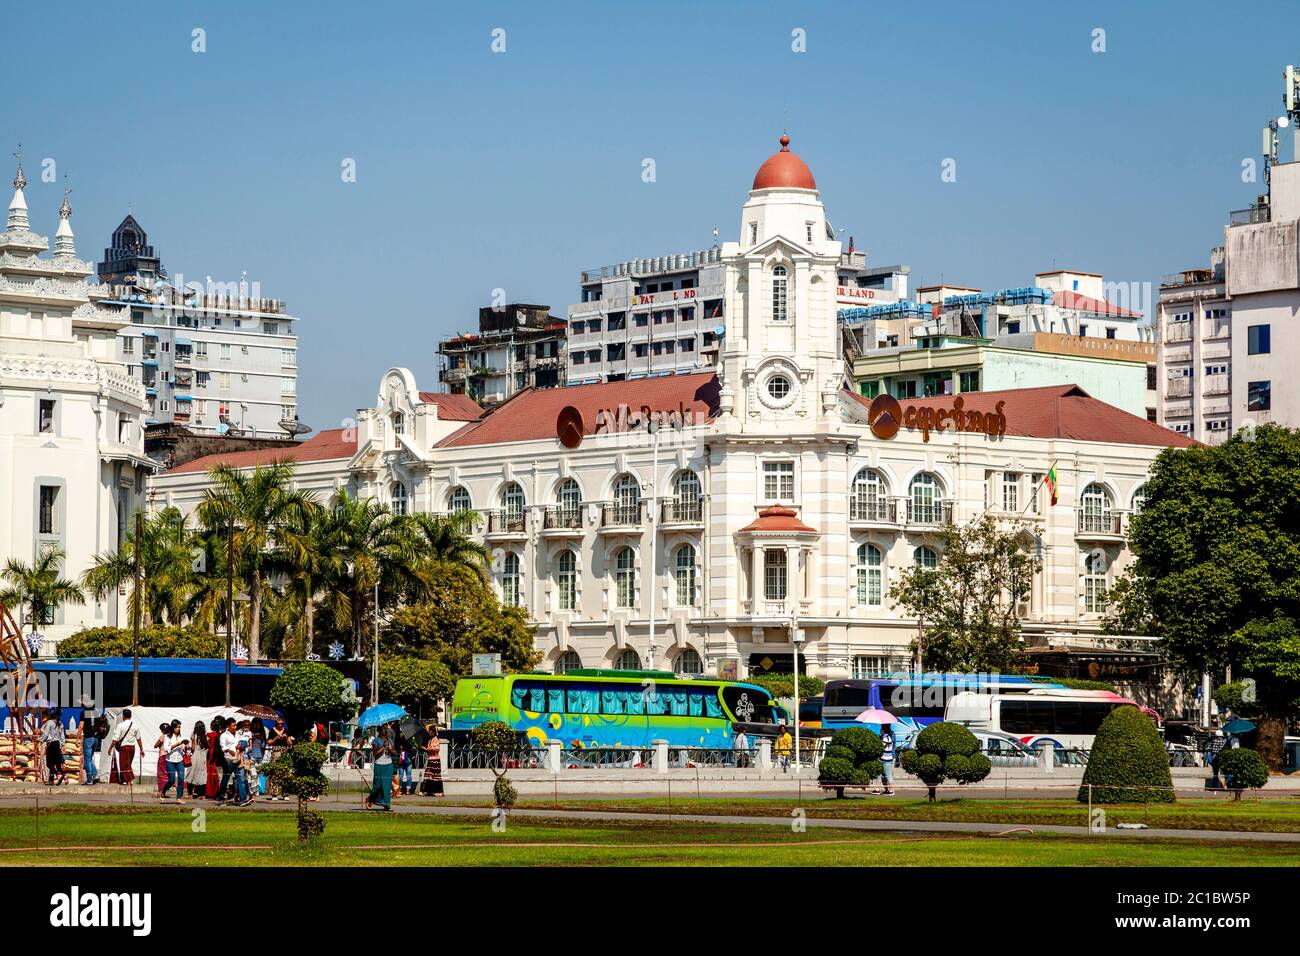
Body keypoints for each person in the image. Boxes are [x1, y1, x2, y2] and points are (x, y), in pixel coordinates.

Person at [219, 718, 249, 804]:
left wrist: (241, 745)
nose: (235, 727)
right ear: (228, 726)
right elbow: (222, 747)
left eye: (236, 725)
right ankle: (221, 797)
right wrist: (229, 750)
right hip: (228, 759)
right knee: (226, 778)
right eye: (233, 725)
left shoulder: (239, 734)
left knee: (241, 779)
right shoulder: (224, 735)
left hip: (238, 759)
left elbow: (245, 742)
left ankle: (243, 799)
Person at [365, 724, 395, 811]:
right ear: (379, 730)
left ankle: (386, 804)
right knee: (378, 785)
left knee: (387, 785)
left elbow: (394, 753)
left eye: (387, 729)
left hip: (388, 765)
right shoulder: (375, 741)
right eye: (384, 729)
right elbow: (375, 754)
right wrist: (383, 747)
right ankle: (370, 799)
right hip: (379, 764)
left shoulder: (390, 740)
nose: (386, 730)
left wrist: (390, 749)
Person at [108, 708, 141, 785]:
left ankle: (128, 780)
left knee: (123, 764)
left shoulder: (120, 726)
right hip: (132, 747)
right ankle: (129, 779)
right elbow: (139, 738)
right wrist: (141, 749)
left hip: (124, 747)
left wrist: (110, 747)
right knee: (128, 764)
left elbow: (115, 738)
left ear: (123, 716)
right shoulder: (136, 726)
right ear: (131, 716)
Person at [161, 721, 187, 803]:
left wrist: (186, 747)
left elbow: (183, 749)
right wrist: (177, 744)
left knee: (181, 778)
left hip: (180, 760)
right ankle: (163, 791)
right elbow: (165, 749)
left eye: (179, 727)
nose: (178, 729)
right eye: (176, 727)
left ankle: (179, 798)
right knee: (171, 780)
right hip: (170, 761)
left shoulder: (181, 737)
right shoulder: (167, 737)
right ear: (172, 728)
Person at [41, 710, 68, 786]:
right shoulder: (60, 723)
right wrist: (62, 744)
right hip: (57, 744)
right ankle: (55, 779)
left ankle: (58, 775)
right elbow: (62, 736)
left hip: (51, 743)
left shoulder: (49, 722)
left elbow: (46, 734)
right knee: (56, 764)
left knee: (49, 764)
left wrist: (40, 740)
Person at [420, 724, 444, 797]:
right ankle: (427, 790)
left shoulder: (435, 739)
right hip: (431, 759)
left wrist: (427, 749)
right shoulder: (430, 740)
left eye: (430, 731)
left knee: (436, 776)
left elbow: (436, 748)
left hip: (435, 760)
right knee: (428, 775)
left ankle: (439, 791)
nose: (429, 732)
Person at [186, 721, 208, 798]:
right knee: (202, 774)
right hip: (203, 756)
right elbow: (206, 748)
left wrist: (187, 748)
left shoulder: (194, 735)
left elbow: (193, 748)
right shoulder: (205, 736)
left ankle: (190, 794)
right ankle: (202, 794)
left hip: (195, 755)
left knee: (191, 774)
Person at [81, 710, 103, 785]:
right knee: (90, 757)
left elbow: (81, 726)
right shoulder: (96, 712)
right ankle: (94, 775)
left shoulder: (84, 712)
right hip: (96, 738)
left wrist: (77, 738)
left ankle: (89, 780)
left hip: (88, 738)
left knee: (87, 759)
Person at [205, 717, 224, 798]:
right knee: (216, 774)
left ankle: (209, 792)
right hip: (216, 755)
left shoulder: (208, 735)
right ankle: (216, 791)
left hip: (210, 754)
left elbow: (206, 746)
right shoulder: (219, 735)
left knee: (210, 774)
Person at [153, 723, 172, 795]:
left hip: (162, 756)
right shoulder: (171, 737)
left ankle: (161, 791)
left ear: (163, 730)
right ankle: (165, 791)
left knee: (161, 773)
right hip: (169, 756)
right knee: (168, 773)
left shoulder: (163, 736)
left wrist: (160, 743)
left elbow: (155, 745)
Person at [878, 723, 896, 796]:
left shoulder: (886, 738)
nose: (880, 730)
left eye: (881, 729)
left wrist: (879, 742)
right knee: (882, 775)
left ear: (883, 730)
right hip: (886, 759)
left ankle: (891, 791)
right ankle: (888, 790)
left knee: (888, 775)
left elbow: (882, 747)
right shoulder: (888, 737)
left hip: (886, 759)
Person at [395, 732, 414, 796]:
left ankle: (399, 790)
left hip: (402, 760)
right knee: (409, 776)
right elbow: (412, 749)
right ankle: (408, 790)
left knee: (400, 776)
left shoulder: (400, 740)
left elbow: (399, 748)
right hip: (409, 759)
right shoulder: (411, 740)